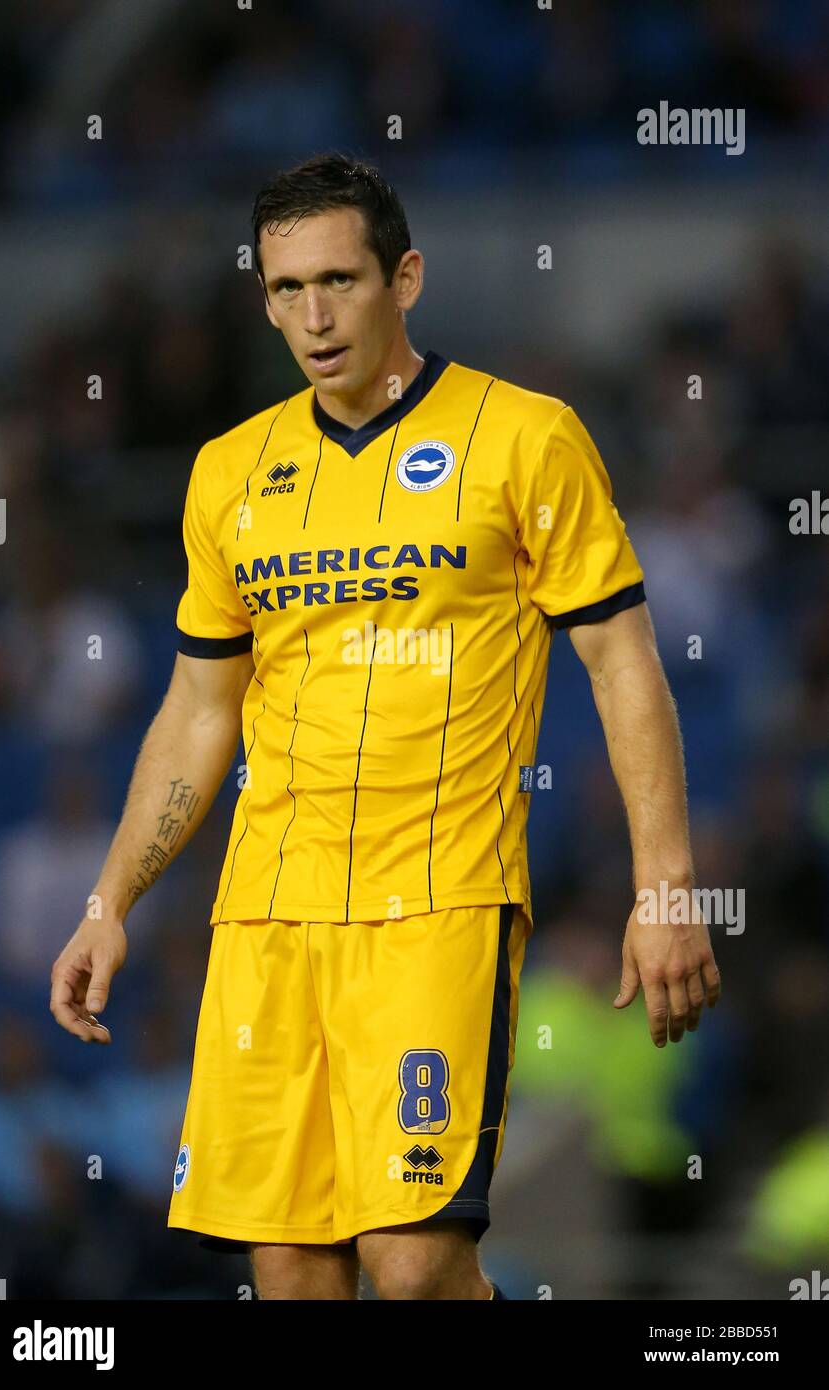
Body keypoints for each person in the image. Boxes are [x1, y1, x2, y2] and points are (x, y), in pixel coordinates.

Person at [49, 152, 721, 1301]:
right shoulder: (228, 473)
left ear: (403, 277)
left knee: (411, 1264)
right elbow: (200, 704)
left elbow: (622, 665)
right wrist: (111, 899)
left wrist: (663, 886)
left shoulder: (524, 438)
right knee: (293, 1277)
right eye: (284, 289)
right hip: (269, 914)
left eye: (338, 281)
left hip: (439, 903)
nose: (312, 316)